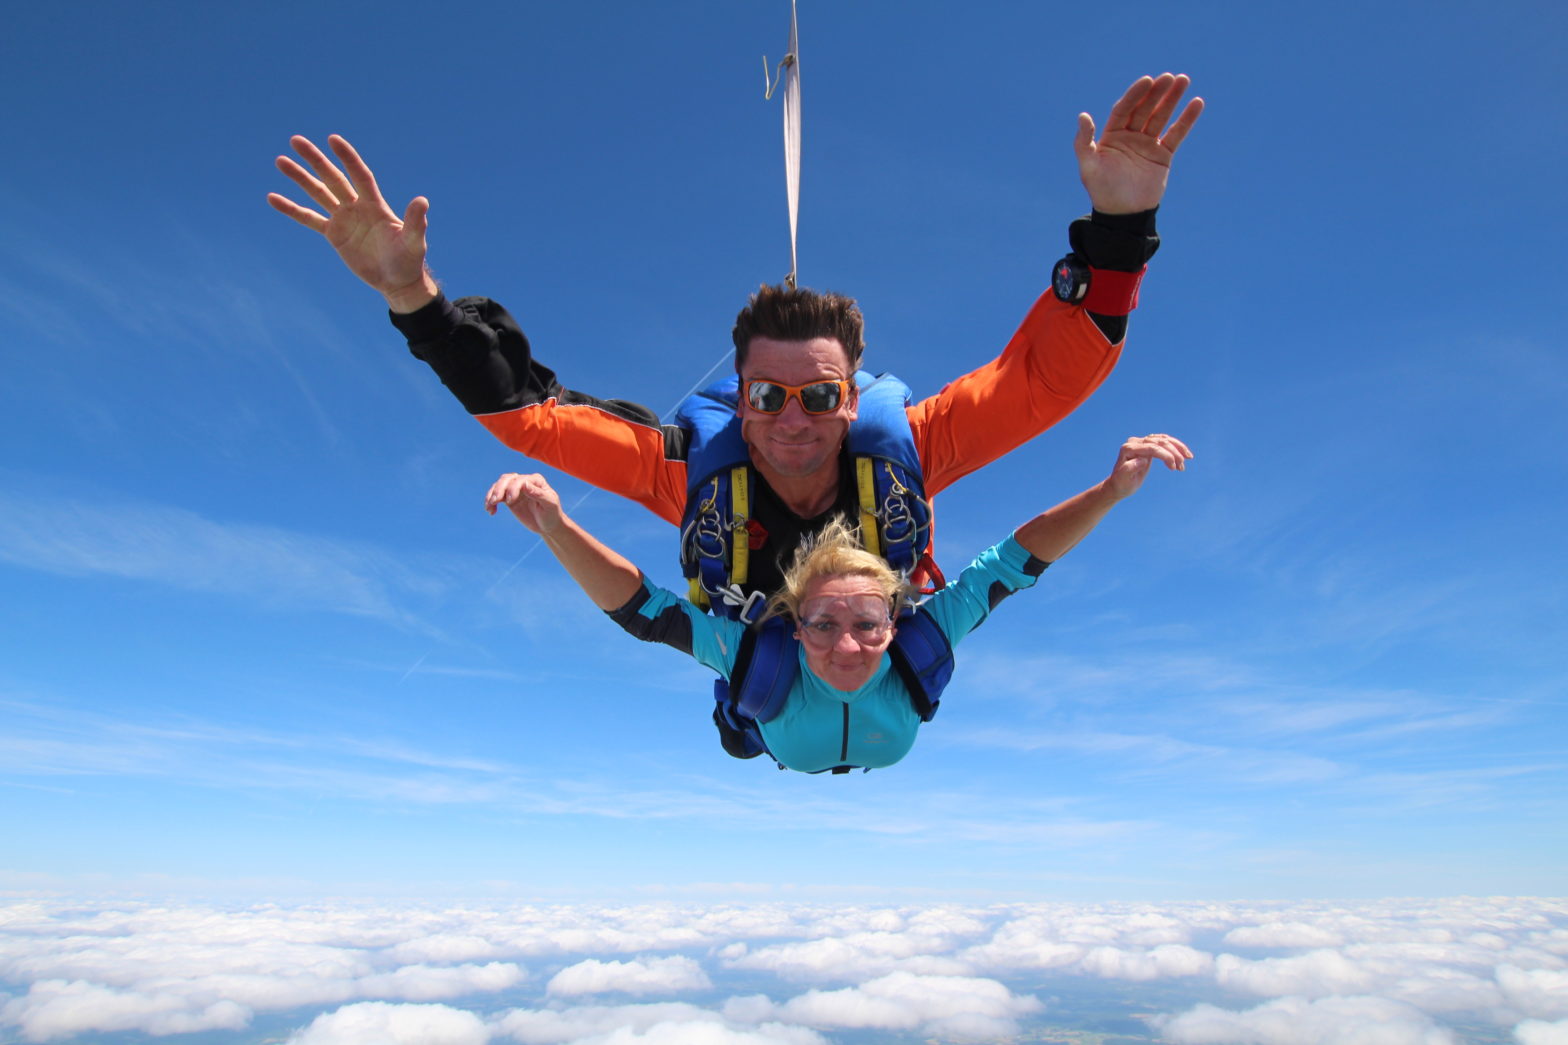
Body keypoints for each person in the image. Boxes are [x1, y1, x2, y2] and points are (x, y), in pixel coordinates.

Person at [270, 74, 1202, 610]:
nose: (793, 420)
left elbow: (1042, 381)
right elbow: (531, 419)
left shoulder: (909, 450)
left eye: (822, 396)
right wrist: (412, 296)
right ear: (739, 397)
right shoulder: (690, 473)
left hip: (878, 634)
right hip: (762, 649)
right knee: (755, 717)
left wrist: (1119, 230)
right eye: (768, 397)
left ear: (852, 398)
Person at [484, 434, 1192, 773]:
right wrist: (555, 524)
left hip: (803, 740)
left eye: (867, 623)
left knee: (753, 713)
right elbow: (646, 611)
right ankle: (741, 731)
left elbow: (1018, 560)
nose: (847, 646)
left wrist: (1108, 492)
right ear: (794, 623)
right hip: (777, 735)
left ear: (896, 617)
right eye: (822, 624)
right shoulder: (762, 653)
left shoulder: (923, 634)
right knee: (739, 732)